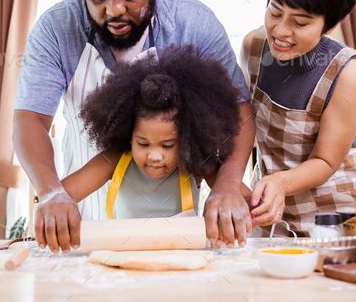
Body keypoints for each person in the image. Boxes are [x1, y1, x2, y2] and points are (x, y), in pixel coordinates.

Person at [13, 0, 255, 253]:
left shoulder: (193, 23)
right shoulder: (56, 28)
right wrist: (52, 191)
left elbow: (239, 110)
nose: (114, 10)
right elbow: (30, 119)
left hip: (176, 239)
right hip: (80, 226)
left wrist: (227, 182)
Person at [51, 46, 253, 249]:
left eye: (168, 145)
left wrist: (256, 207)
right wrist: (54, 207)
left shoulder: (194, 165)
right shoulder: (113, 160)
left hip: (183, 270)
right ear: (128, 136)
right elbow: (61, 196)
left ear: (187, 139)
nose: (155, 156)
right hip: (123, 268)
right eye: (143, 143)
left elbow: (240, 197)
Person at [240, 0, 356, 237]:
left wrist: (282, 183)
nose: (280, 31)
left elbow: (326, 160)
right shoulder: (254, 47)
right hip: (274, 209)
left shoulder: (348, 71)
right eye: (274, 11)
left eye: (300, 22)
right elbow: (245, 122)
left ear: (331, 25)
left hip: (334, 215)